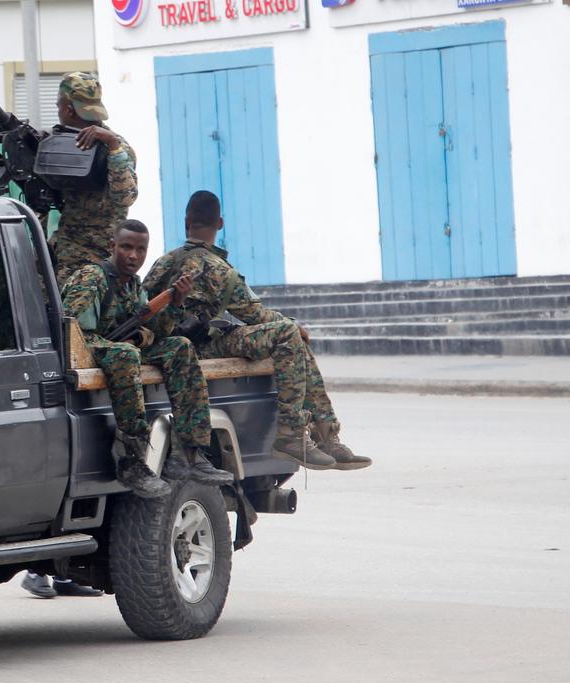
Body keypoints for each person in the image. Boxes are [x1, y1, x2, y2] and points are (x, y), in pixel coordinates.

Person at [143, 191, 371, 471]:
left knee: (289, 333)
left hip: (166, 346)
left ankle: (324, 436)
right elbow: (255, 315)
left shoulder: (161, 263)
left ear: (186, 221)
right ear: (221, 223)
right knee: (288, 333)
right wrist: (295, 326)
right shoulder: (219, 270)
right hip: (202, 347)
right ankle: (301, 434)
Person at [65, 219, 234, 498]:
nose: (134, 256)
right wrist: (123, 343)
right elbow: (73, 331)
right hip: (91, 348)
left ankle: (190, 453)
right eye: (127, 247)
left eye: (141, 250)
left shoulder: (134, 285)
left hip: (118, 349)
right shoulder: (92, 278)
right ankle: (131, 458)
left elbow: (157, 331)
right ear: (112, 246)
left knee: (179, 346)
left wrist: (175, 303)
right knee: (125, 353)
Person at [49, 71, 138, 284]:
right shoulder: (61, 143)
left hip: (99, 264)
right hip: (65, 254)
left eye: (58, 105)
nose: (58, 110)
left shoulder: (116, 146)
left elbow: (126, 197)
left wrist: (113, 147)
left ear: (68, 109)